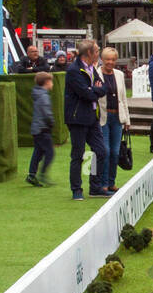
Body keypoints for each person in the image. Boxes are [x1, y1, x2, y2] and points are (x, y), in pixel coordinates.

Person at [65, 38, 109, 200]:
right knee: (78, 154)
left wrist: (94, 90)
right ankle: (76, 189)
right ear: (89, 53)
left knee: (100, 151)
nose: (99, 54)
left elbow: (103, 88)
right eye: (97, 51)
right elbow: (86, 93)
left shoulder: (92, 68)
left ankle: (95, 187)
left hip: (92, 117)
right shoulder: (74, 71)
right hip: (77, 118)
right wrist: (94, 90)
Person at [99, 46, 130, 193]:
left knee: (116, 152)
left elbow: (123, 98)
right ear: (102, 60)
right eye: (107, 59)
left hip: (118, 117)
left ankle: (112, 182)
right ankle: (103, 184)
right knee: (105, 151)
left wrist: (127, 120)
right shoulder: (96, 74)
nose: (110, 62)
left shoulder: (119, 74)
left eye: (113, 59)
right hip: (103, 118)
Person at [25, 70, 55, 187]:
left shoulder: (38, 94)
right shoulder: (44, 96)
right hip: (43, 128)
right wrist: (51, 123)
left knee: (38, 152)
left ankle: (32, 174)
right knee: (50, 152)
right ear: (47, 82)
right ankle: (42, 174)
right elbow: (46, 113)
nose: (52, 84)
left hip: (37, 128)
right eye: (51, 82)